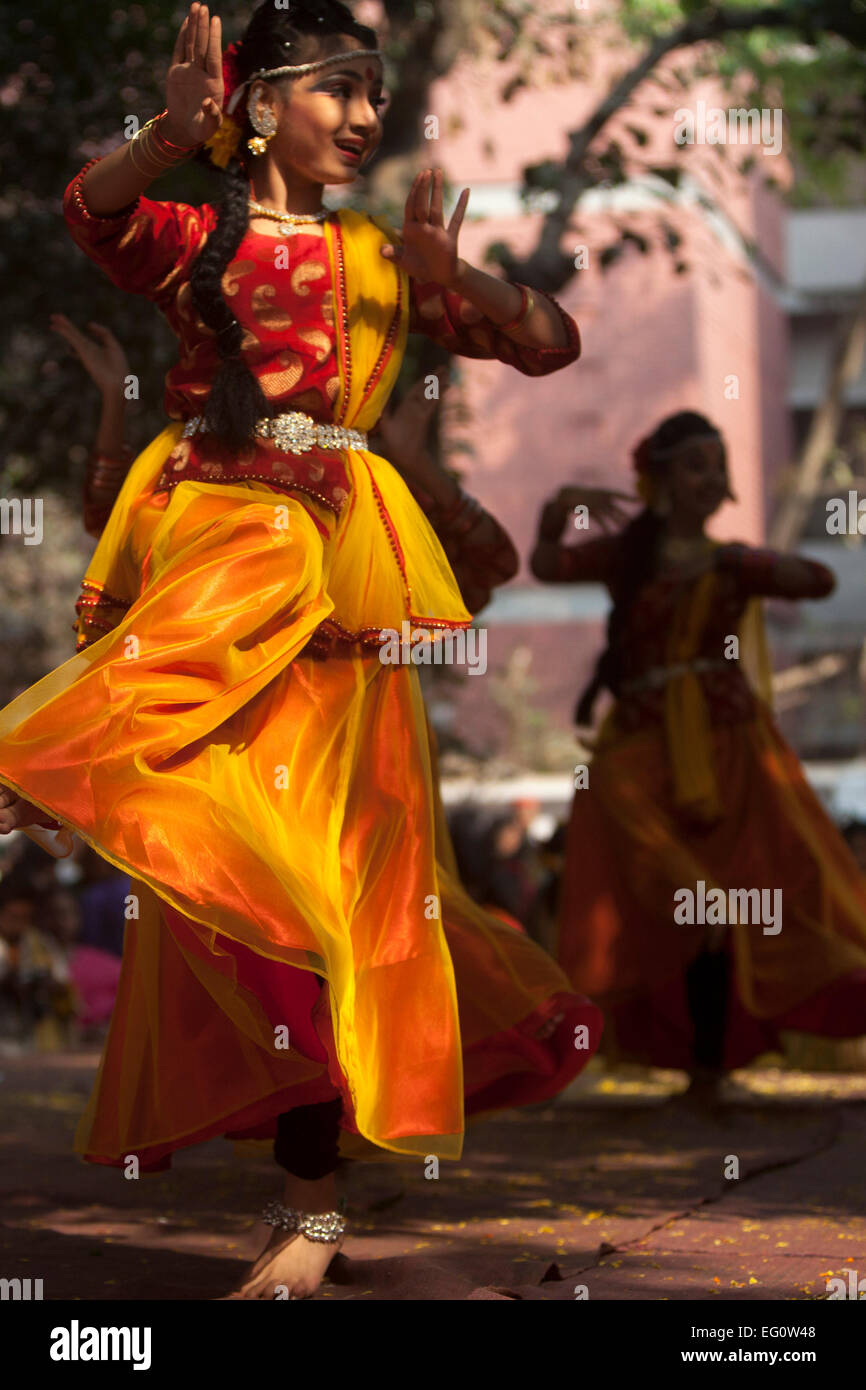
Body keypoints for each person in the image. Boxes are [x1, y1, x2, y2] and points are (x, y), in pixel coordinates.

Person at [0, 1, 600, 1299]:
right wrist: (166, 135)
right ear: (262, 103)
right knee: (210, 818)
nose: (368, 114)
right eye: (338, 87)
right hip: (227, 542)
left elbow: (552, 343)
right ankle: (35, 778)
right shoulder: (194, 236)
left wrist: (467, 278)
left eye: (375, 91)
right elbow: (89, 213)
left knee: (343, 899)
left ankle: (310, 1221)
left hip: (343, 589)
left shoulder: (384, 258)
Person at [532, 410, 866, 1099]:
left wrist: (745, 563)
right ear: (661, 482)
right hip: (641, 759)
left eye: (719, 467)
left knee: (748, 903)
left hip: (728, 754)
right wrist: (554, 513)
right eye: (695, 466)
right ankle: (696, 1064)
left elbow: (818, 583)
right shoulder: (627, 557)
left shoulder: (729, 563)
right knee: (688, 903)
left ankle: (709, 1069)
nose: (712, 480)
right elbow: (547, 565)